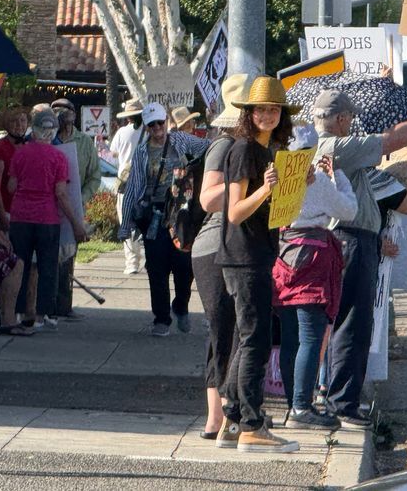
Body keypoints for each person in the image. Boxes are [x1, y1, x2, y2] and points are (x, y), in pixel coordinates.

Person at [312, 89, 407, 428]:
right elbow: (385, 142)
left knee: (347, 324)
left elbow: (387, 143)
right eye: (350, 119)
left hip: (354, 239)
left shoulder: (337, 151)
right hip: (350, 239)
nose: (353, 124)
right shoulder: (335, 147)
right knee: (352, 325)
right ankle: (343, 401)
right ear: (340, 120)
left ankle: (338, 396)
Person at [216, 75, 299, 453]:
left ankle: (233, 422)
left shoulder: (266, 151)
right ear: (248, 114)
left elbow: (272, 210)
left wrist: (299, 183)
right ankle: (252, 425)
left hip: (254, 254)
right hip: (244, 257)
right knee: (256, 341)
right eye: (261, 109)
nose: (267, 115)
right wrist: (266, 189)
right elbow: (234, 212)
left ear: (282, 115)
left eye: (274, 109)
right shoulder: (245, 149)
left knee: (248, 339)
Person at [275, 153, 356, 430]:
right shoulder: (319, 179)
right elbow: (348, 209)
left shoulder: (275, 179)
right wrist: (339, 176)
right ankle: (301, 406)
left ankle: (292, 404)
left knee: (290, 338)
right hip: (313, 257)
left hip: (282, 255)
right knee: (310, 336)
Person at [118, 103, 209, 338]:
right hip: (155, 215)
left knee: (184, 265)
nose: (157, 128)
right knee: (157, 268)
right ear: (146, 127)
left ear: (166, 123)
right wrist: (125, 224)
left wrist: (194, 168)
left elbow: (209, 148)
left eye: (160, 123)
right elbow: (134, 189)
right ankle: (161, 317)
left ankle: (181, 305)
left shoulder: (180, 141)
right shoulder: (141, 153)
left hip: (182, 213)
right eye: (152, 125)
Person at [192, 74, 249, 440]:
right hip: (215, 247)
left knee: (238, 332)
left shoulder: (248, 148)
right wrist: (254, 185)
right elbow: (208, 199)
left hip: (240, 246)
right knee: (225, 330)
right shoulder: (224, 145)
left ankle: (227, 415)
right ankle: (219, 417)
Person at [8, 109, 87, 328]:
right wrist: (76, 223)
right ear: (52, 132)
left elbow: (11, 186)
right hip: (47, 218)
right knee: (47, 268)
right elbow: (61, 193)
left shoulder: (20, 153)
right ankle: (43, 314)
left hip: (20, 217)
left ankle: (19, 311)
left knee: (20, 265)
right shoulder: (58, 157)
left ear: (34, 130)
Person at [51, 101, 100, 322]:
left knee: (68, 256)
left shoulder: (84, 142)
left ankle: (63, 304)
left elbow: (95, 176)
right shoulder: (48, 138)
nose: (64, 114)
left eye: (67, 109)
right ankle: (45, 304)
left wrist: (80, 199)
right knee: (46, 256)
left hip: (73, 207)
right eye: (57, 111)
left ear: (74, 113)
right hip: (48, 205)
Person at [109, 99, 145, 274]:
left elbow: (114, 152)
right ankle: (148, 259)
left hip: (126, 182)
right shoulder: (149, 132)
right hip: (145, 182)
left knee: (126, 223)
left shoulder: (122, 132)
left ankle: (131, 263)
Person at [0, 107, 30, 229]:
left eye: (23, 120)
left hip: (27, 211)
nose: (19, 124)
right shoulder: (0, 147)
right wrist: (2, 214)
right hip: (8, 210)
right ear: (7, 124)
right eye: (14, 121)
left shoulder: (28, 146)